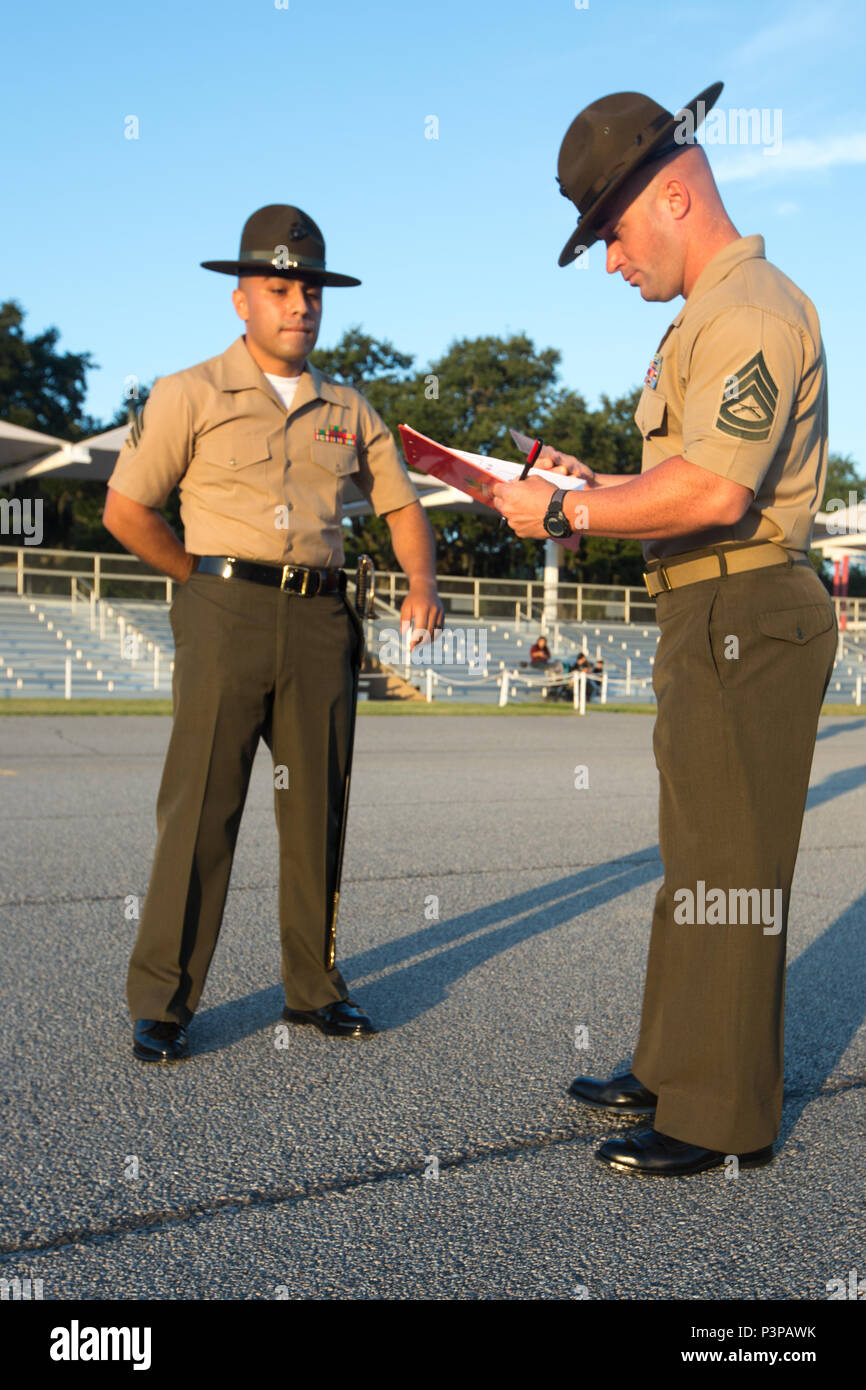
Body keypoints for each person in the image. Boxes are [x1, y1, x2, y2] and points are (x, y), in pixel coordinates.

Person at [492, 84, 836, 1176]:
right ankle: (672, 1056)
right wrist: (590, 485)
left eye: (607, 232)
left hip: (742, 601)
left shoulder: (747, 310)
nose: (606, 260)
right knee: (697, 854)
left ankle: (715, 1111)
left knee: (730, 864)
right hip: (706, 603)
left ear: (671, 196)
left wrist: (564, 512)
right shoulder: (707, 316)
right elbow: (681, 482)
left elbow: (715, 493)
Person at [103, 204, 444, 1060]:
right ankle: (165, 1001)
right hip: (226, 610)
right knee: (200, 810)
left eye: (312, 291)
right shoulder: (187, 393)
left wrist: (421, 584)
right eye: (280, 288)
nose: (300, 305)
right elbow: (125, 509)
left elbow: (402, 505)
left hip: (324, 616)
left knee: (315, 810)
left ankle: (315, 989)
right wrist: (192, 580)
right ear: (241, 300)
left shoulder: (349, 408)